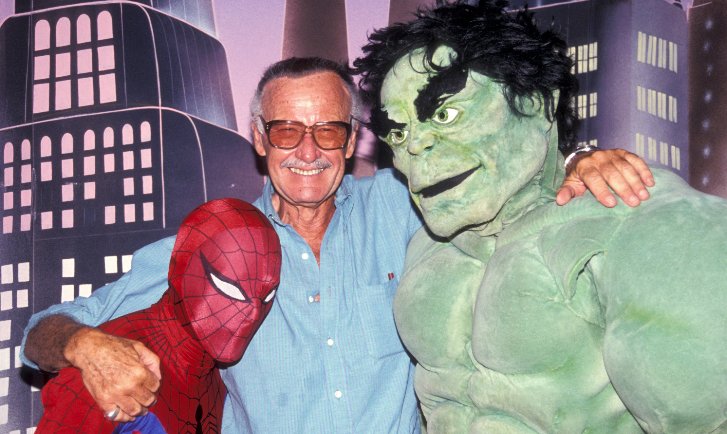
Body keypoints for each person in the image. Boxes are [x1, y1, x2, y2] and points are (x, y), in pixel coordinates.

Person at [22, 57, 652, 433]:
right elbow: (39, 333)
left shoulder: (405, 207)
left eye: (327, 130)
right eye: (286, 130)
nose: (307, 151)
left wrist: (580, 161)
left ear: (352, 140)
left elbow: (502, 177)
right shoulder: (211, 244)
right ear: (259, 138)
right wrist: (85, 345)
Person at [354, 1, 727, 432]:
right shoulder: (421, 241)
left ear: (535, 103)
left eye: (445, 114)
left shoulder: (632, 219)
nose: (414, 147)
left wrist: (581, 158)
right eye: (399, 133)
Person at [36, 198, 281, 433]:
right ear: (179, 266)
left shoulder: (220, 381)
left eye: (266, 295)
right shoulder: (110, 367)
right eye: (229, 287)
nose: (253, 313)